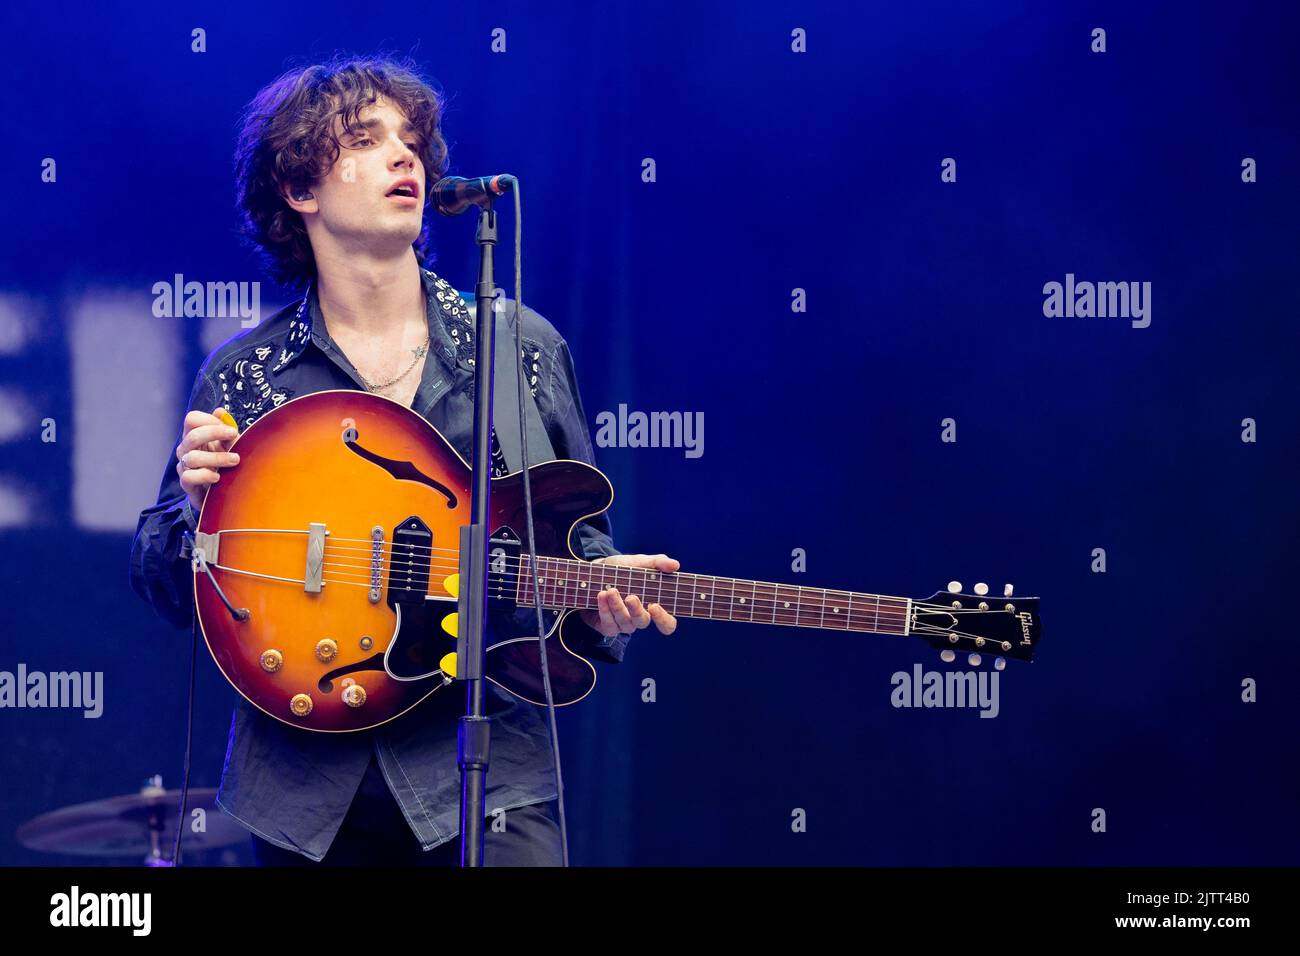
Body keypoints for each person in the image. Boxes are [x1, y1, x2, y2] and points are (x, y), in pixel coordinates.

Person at [128, 55, 679, 866]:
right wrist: (196, 506)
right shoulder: (245, 374)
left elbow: (574, 538)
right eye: (365, 138)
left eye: (412, 141)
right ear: (299, 188)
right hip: (305, 791)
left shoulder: (518, 346)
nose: (404, 156)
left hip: (489, 775)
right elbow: (167, 582)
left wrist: (600, 596)